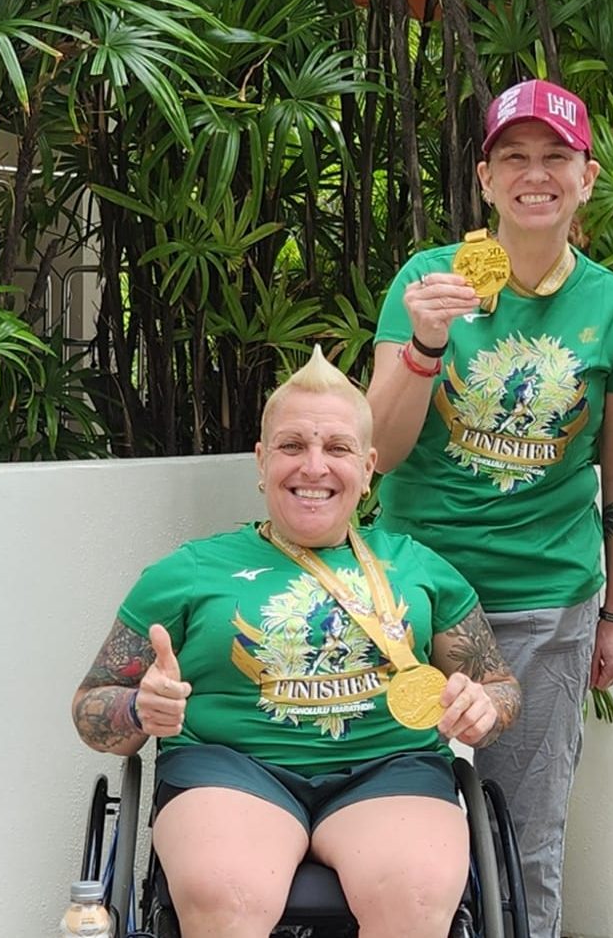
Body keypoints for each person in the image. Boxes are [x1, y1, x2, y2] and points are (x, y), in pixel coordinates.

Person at [72, 346, 522, 938]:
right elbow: (90, 706)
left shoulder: (420, 569)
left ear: (368, 467)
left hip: (391, 771)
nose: (314, 467)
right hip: (230, 770)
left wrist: (483, 708)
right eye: (292, 446)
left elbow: (500, 685)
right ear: (261, 462)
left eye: (336, 448)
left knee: (415, 894)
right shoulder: (187, 572)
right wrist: (137, 707)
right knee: (227, 891)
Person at [366, 79, 613, 938]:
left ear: (587, 177)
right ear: (485, 180)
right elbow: (376, 449)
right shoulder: (428, 279)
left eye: (555, 156)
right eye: (514, 158)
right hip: (412, 601)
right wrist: (421, 343)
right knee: (397, 832)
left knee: (525, 837)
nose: (536, 174)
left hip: (545, 604)